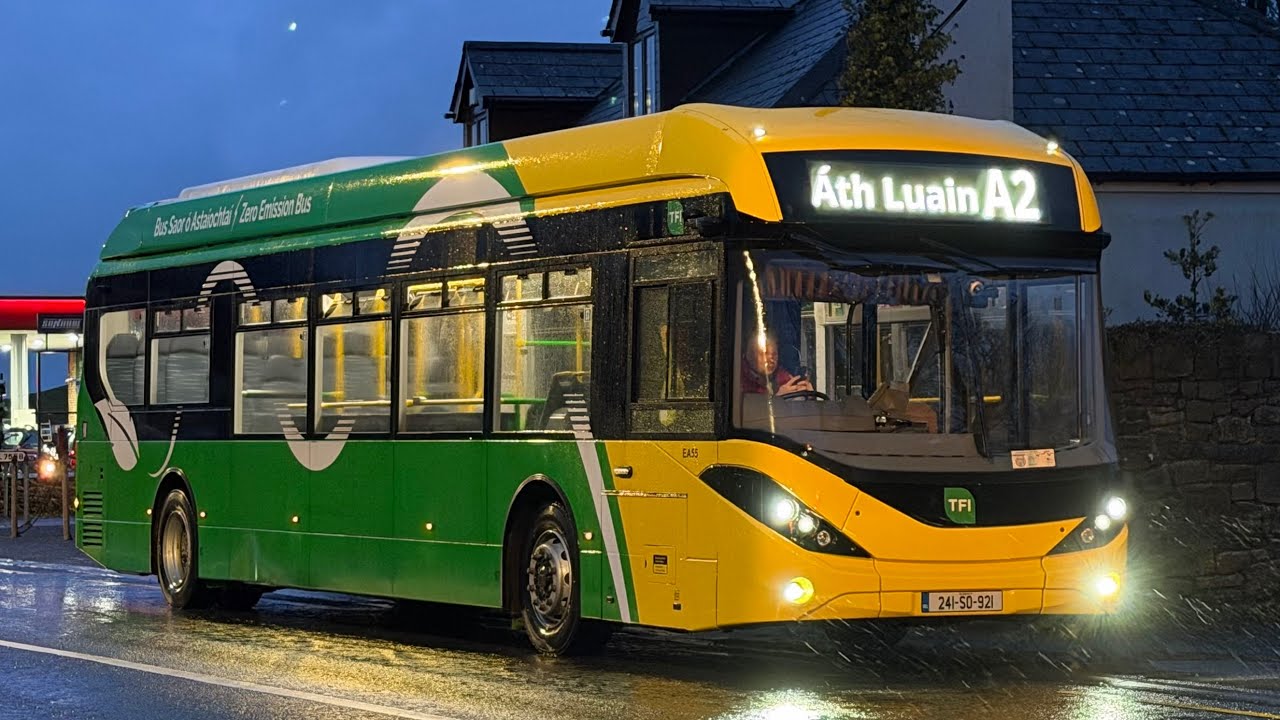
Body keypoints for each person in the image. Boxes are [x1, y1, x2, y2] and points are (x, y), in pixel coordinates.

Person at [742, 335, 814, 395]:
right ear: (750, 355)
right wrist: (778, 399)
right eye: (764, 353)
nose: (771, 359)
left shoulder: (783, 377)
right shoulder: (738, 380)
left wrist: (808, 395)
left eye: (774, 354)